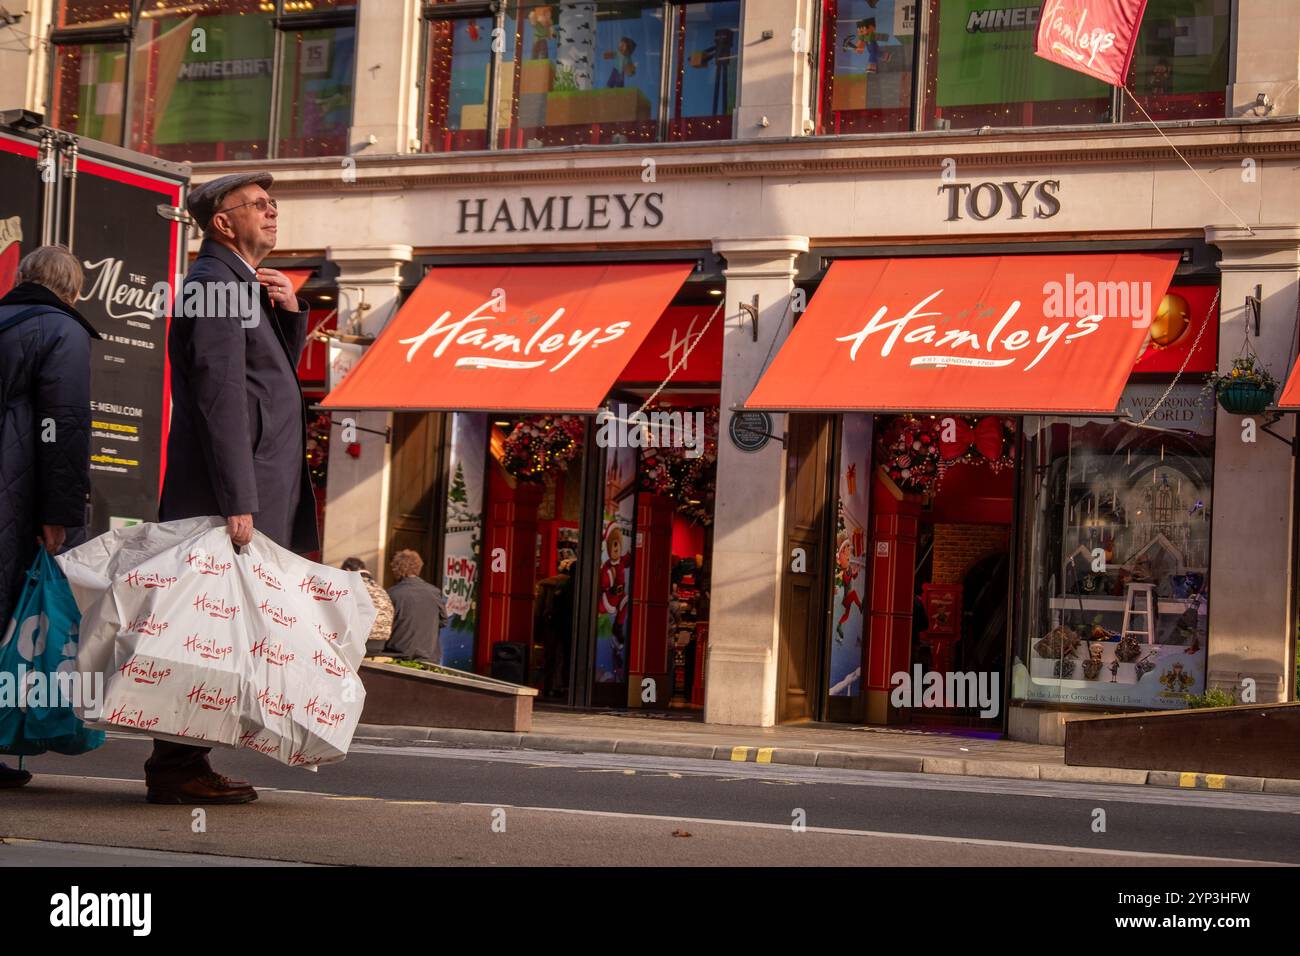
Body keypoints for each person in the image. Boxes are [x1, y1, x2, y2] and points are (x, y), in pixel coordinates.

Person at [147, 172, 317, 806]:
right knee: (204, 629)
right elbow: (221, 397)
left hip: (244, 487)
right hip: (228, 497)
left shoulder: (239, 285)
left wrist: (290, 314)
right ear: (222, 222)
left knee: (216, 629)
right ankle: (175, 765)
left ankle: (183, 760)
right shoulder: (214, 285)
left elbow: (266, 383)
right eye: (258, 205)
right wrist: (238, 499)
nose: (272, 212)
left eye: (275, 204)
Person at [0, 245, 98, 790]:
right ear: (73, 291)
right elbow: (61, 428)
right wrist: (58, 514)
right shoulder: (62, 332)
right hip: (16, 504)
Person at [385, 550, 447, 665]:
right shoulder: (434, 592)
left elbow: (383, 626)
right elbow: (443, 621)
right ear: (418, 567)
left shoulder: (391, 594)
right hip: (429, 658)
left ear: (397, 569)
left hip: (398, 657)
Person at [341, 556, 394, 656]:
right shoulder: (380, 588)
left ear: (347, 570)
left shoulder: (352, 585)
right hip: (380, 644)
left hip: (361, 642)